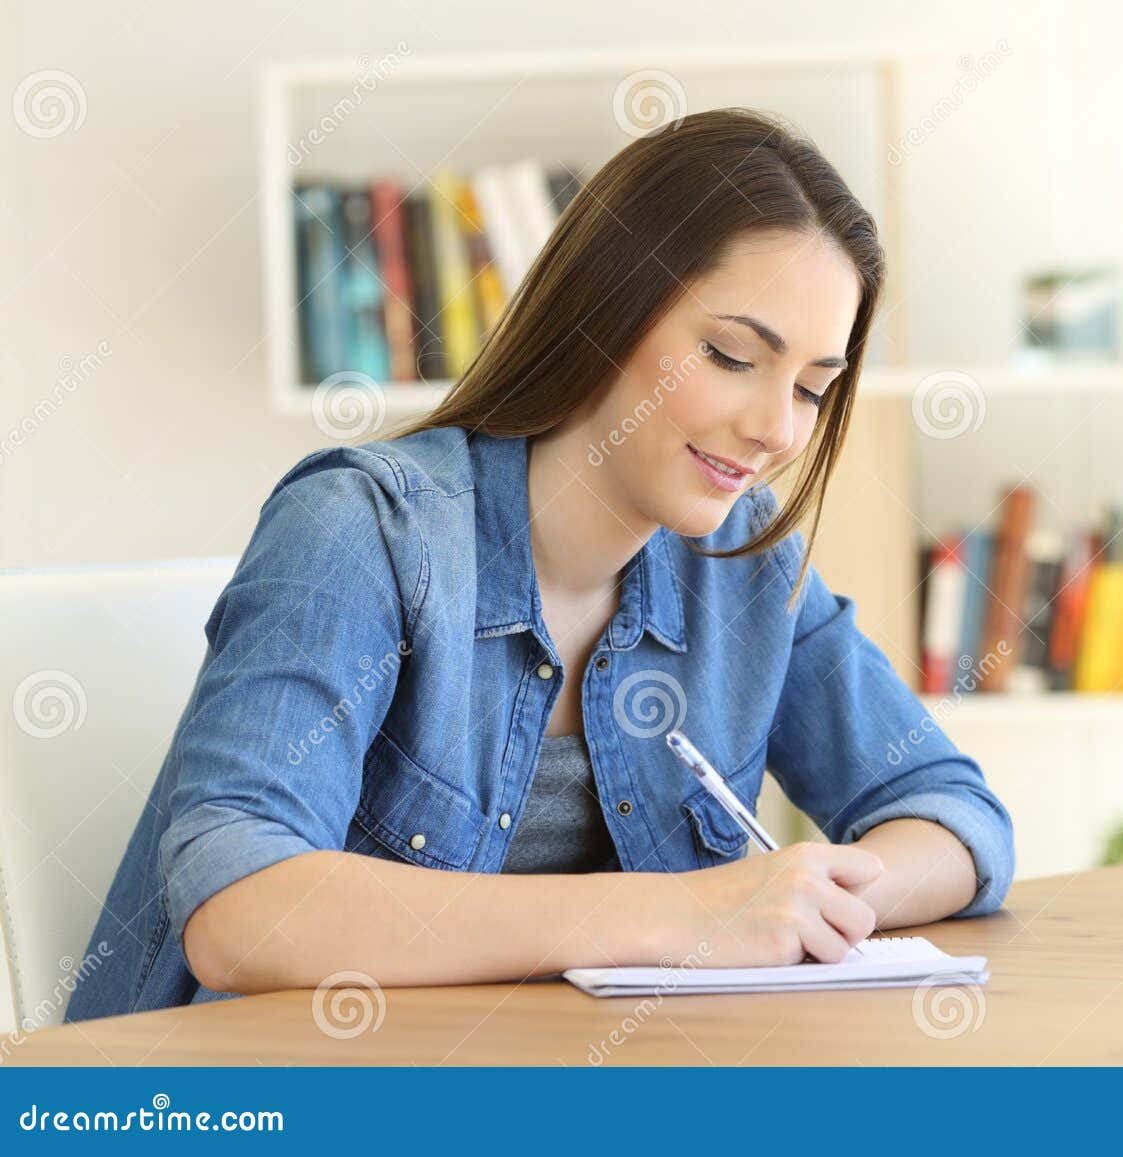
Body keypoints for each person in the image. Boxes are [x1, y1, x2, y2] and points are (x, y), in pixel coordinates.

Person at [65, 107, 1014, 1021]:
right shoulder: (364, 530)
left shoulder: (742, 558)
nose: (775, 429)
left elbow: (953, 815)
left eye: (813, 388)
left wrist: (804, 898)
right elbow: (241, 904)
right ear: (607, 311)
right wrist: (681, 915)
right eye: (730, 355)